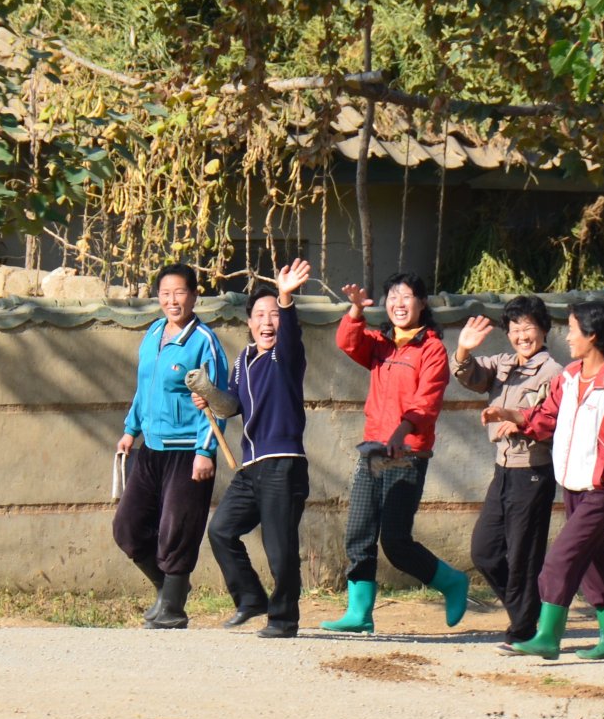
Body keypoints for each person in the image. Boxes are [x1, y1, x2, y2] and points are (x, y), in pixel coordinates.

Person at [482, 299, 604, 660]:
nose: (568, 337)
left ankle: (547, 636)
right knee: (592, 562)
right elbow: (544, 415)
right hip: (572, 487)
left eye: (573, 330)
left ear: (591, 335)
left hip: (602, 491)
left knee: (559, 561)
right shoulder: (570, 376)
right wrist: (509, 414)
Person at [321, 271, 471, 633]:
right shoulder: (381, 344)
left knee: (395, 540)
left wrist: (403, 430)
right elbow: (347, 342)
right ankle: (359, 613)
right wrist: (355, 311)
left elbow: (428, 401)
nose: (399, 304)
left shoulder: (432, 349)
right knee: (358, 531)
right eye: (392, 297)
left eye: (406, 297)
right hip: (373, 449)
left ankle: (450, 581)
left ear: (421, 304)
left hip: (407, 453)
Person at [198, 259, 312, 638]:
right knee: (221, 530)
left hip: (283, 465)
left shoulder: (286, 356)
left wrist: (285, 296)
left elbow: (291, 333)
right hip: (250, 467)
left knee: (280, 548)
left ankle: (283, 620)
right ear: (248, 323)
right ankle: (251, 599)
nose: (268, 322)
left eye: (274, 315)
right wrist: (209, 396)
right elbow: (232, 405)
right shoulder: (241, 361)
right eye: (260, 315)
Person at [114, 263, 229, 629]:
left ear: (195, 295)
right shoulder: (153, 333)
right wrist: (131, 430)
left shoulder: (204, 342)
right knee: (128, 527)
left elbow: (217, 402)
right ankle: (169, 590)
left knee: (177, 529)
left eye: (179, 292)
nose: (172, 300)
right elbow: (143, 388)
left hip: (188, 450)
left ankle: (173, 610)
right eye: (165, 293)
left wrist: (204, 451)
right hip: (152, 447)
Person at [454, 296, 559, 646]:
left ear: (543, 329)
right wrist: (463, 351)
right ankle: (532, 614)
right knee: (484, 551)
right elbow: (472, 376)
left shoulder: (554, 373)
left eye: (528, 327)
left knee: (522, 557)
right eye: (515, 329)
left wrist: (521, 425)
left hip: (532, 472)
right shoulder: (503, 364)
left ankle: (523, 630)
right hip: (502, 470)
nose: (522, 335)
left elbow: (552, 420)